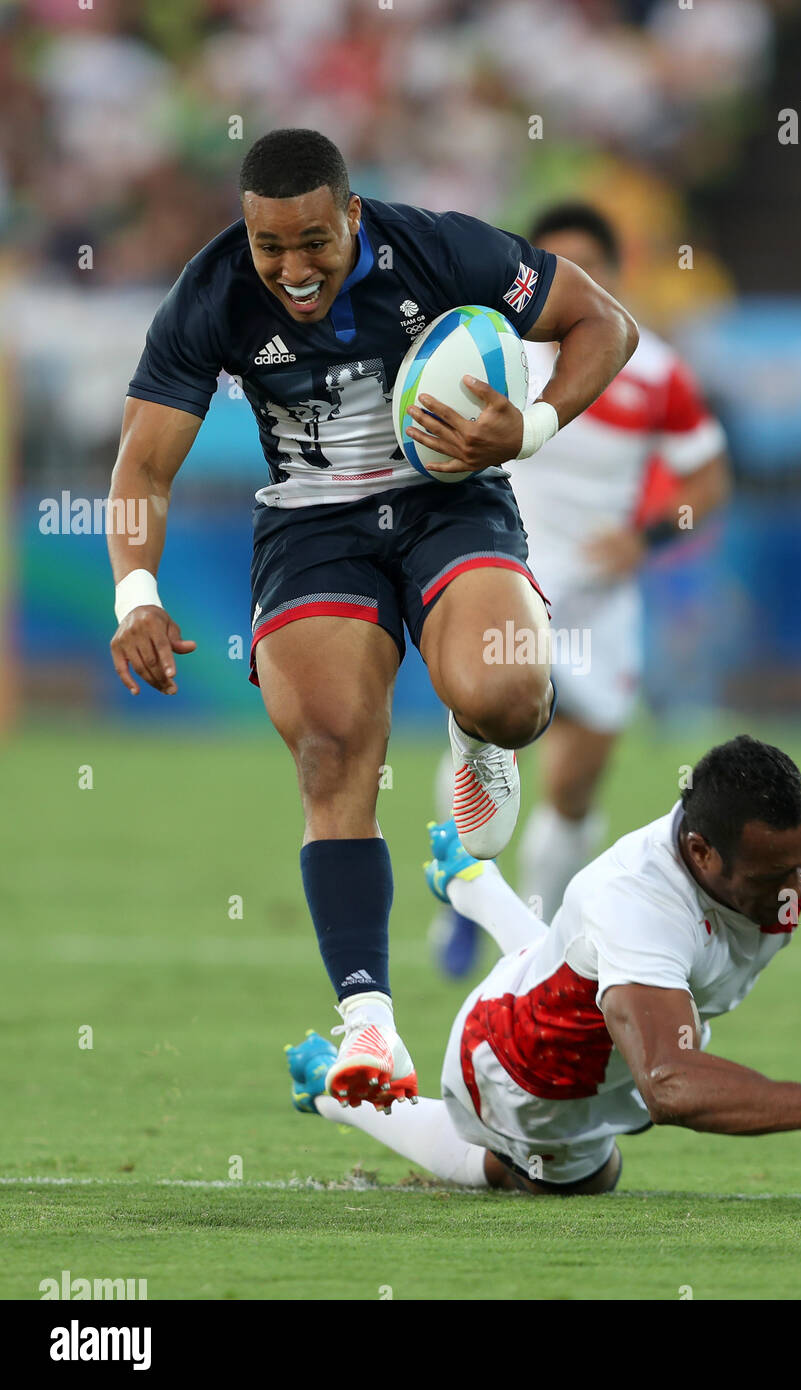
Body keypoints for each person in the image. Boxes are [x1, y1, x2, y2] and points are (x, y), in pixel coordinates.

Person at [106, 129, 638, 1113]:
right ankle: (370, 1024)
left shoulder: (439, 249)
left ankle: (483, 735)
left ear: (352, 214)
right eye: (272, 247)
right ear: (248, 234)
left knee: (510, 694)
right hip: (315, 528)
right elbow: (142, 462)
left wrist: (529, 425)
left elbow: (603, 323)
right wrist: (136, 592)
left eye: (315, 241)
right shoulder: (212, 290)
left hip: (451, 500)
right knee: (329, 748)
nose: (293, 270)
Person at [288, 734, 801, 1193]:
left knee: (578, 962)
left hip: (581, 986)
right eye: (776, 880)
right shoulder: (636, 902)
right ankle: (335, 1089)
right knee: (563, 1179)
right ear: (701, 854)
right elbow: (668, 1083)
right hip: (524, 1070)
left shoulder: (785, 836)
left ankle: (478, 887)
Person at [430, 202, 730, 977]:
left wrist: (650, 536)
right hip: (506, 580)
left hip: (601, 599)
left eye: (579, 270)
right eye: (546, 269)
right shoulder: (487, 351)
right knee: (489, 742)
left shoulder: (654, 370)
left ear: (607, 276)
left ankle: (530, 920)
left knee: (577, 782)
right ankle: (466, 902)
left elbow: (709, 479)